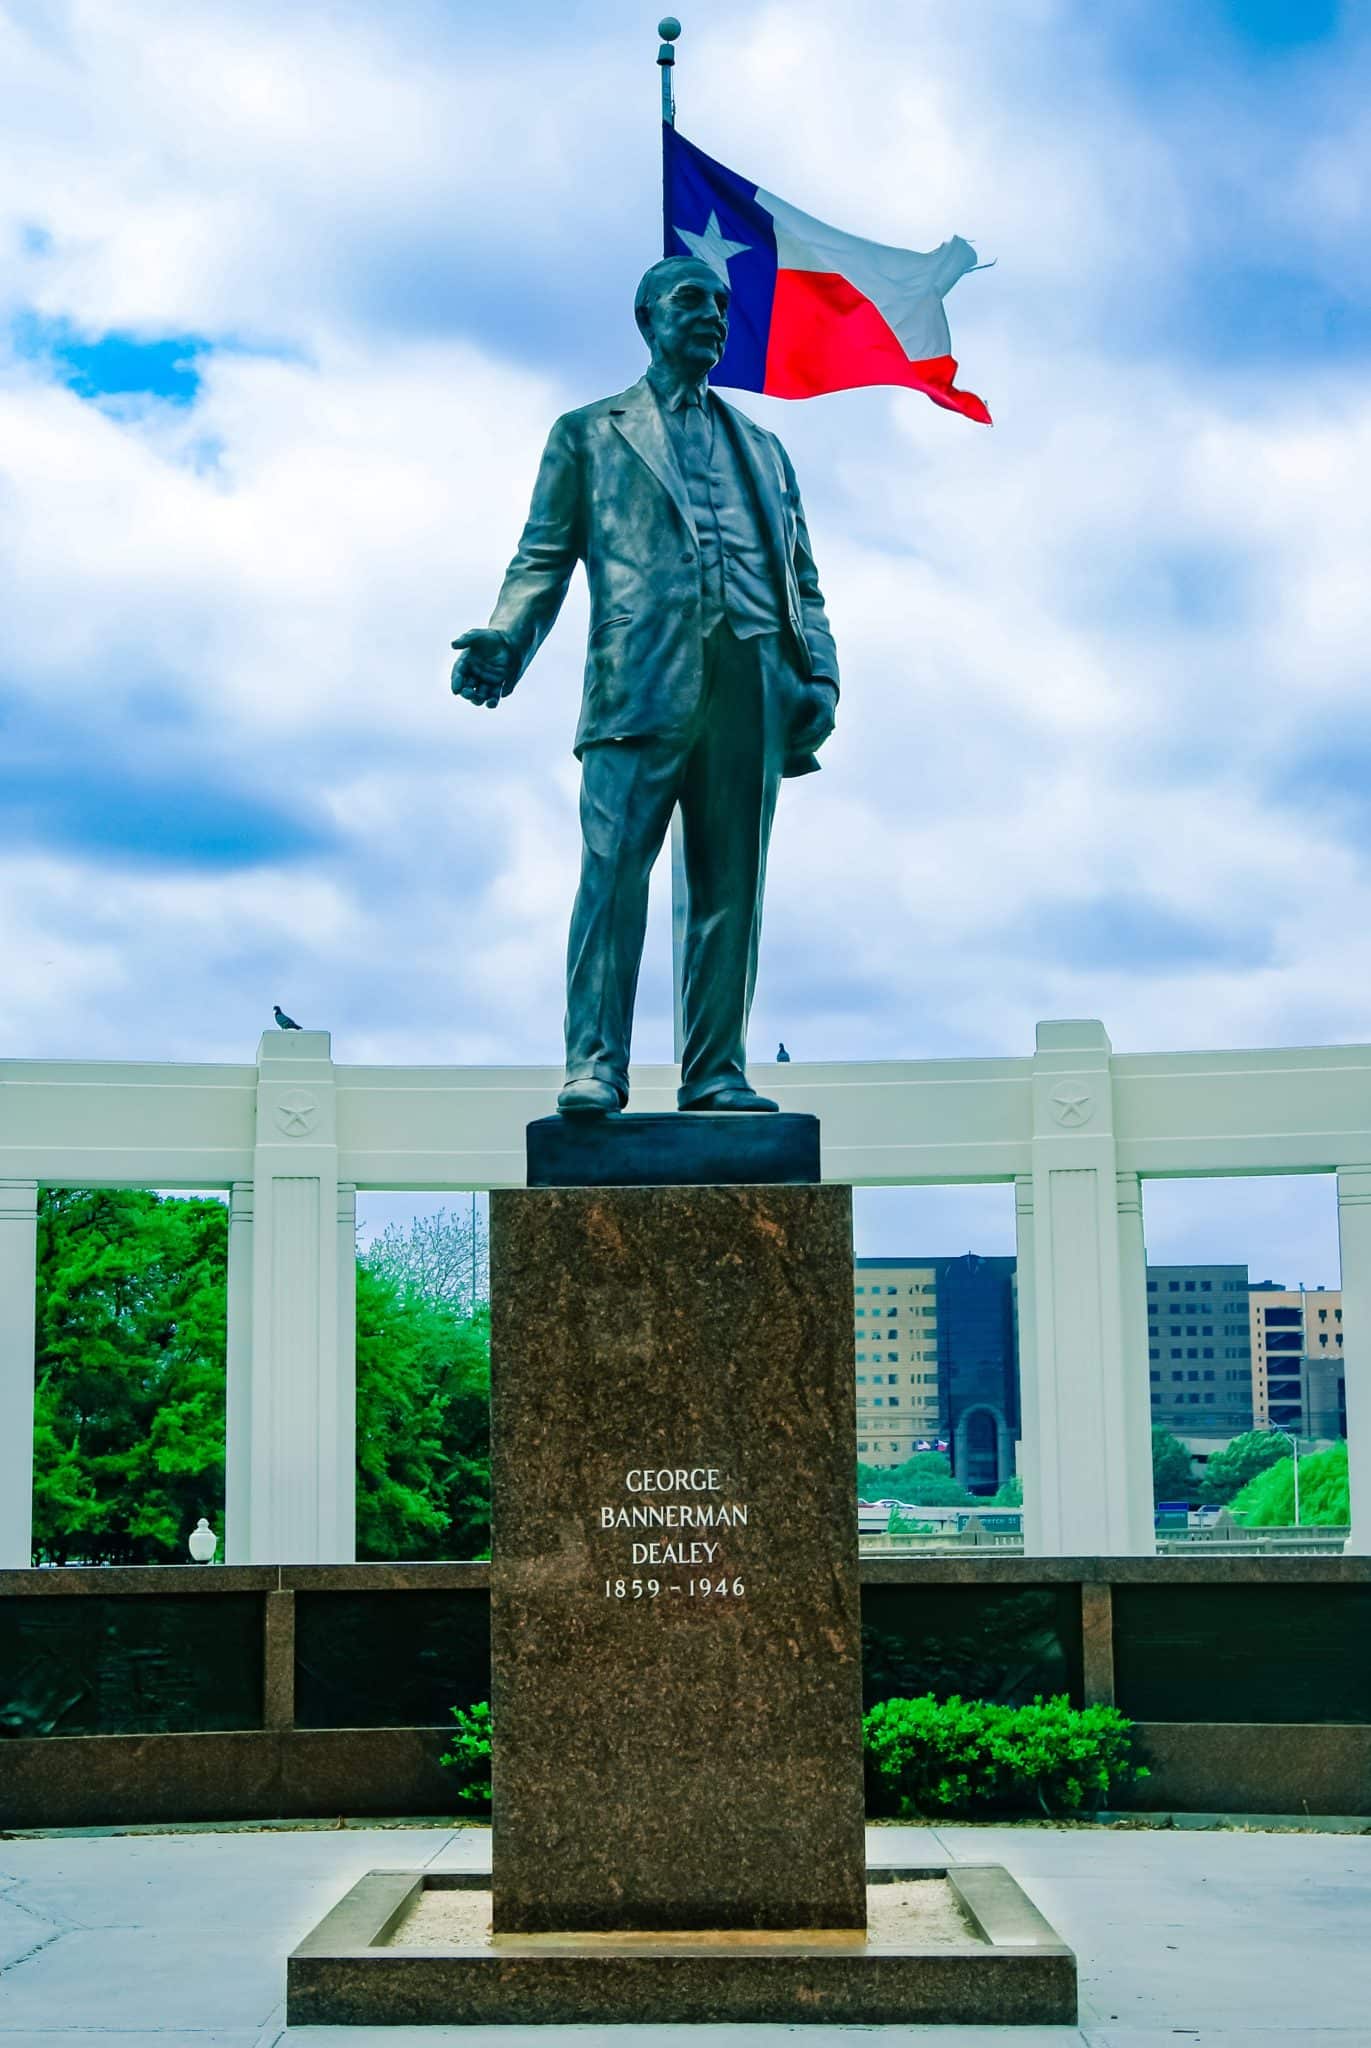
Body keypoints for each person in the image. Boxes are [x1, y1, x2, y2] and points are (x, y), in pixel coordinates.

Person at [451, 255, 839, 1115]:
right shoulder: (587, 432)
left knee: (730, 888)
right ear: (647, 318)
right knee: (611, 876)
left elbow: (802, 582)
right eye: (693, 300)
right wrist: (506, 640)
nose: (713, 316)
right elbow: (542, 557)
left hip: (752, 685)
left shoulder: (767, 452)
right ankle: (594, 1064)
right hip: (638, 682)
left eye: (723, 305)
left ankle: (715, 1072)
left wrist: (820, 677)